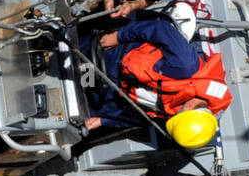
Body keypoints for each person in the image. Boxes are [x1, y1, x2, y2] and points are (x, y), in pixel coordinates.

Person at [83, 11, 232, 148]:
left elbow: (141, 118)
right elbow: (161, 29)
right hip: (110, 56)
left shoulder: (178, 112)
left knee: (79, 104)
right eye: (178, 115)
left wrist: (104, 121)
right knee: (69, 58)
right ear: (190, 110)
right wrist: (119, 36)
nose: (173, 116)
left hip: (108, 94)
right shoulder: (186, 66)